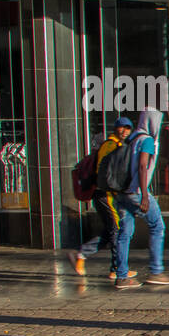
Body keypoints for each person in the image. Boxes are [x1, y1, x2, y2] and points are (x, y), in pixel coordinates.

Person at [114, 109, 169, 289]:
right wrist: (144, 196)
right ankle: (156, 271)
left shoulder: (131, 138)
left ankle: (121, 276)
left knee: (124, 233)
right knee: (157, 226)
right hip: (137, 192)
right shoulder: (148, 140)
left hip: (122, 192)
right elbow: (143, 166)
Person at [68, 117, 136, 281]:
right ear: (115, 128)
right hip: (106, 195)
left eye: (128, 128)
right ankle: (116, 268)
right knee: (116, 229)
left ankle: (82, 254)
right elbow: (105, 172)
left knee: (111, 231)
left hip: (108, 194)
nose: (125, 131)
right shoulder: (111, 145)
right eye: (122, 127)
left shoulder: (117, 145)